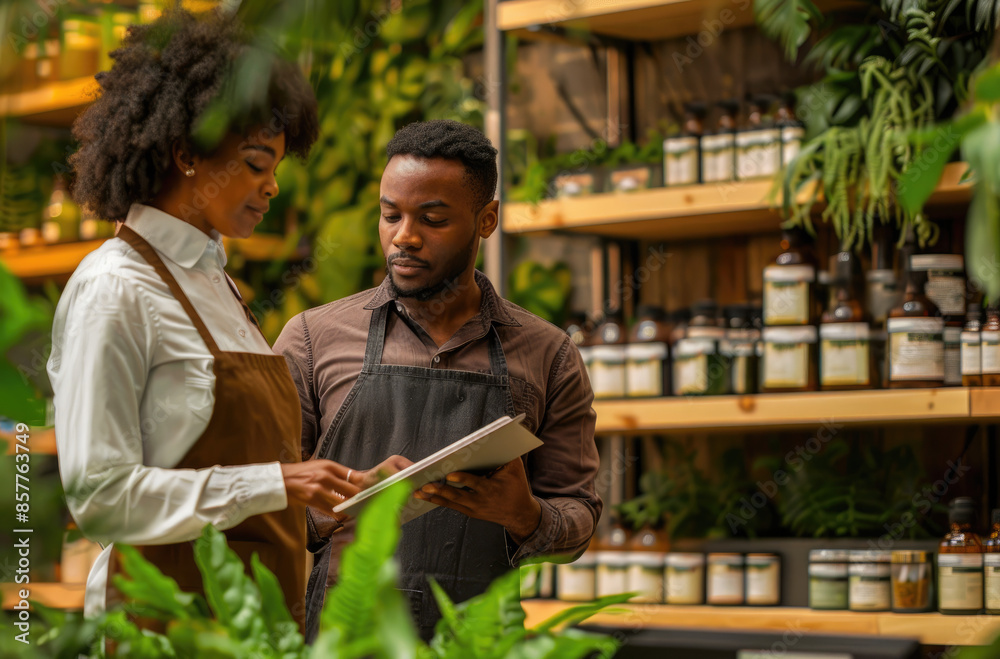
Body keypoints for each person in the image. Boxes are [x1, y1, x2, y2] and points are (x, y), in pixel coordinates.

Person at [47, 10, 406, 634]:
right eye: (254, 162)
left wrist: (343, 491)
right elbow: (100, 499)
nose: (271, 188)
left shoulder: (216, 285)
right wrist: (277, 481)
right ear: (185, 151)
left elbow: (254, 484)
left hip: (256, 627)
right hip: (165, 630)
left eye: (276, 169)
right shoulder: (116, 289)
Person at [275, 119, 602, 640]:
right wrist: (331, 511)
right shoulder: (313, 339)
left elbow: (578, 516)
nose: (404, 236)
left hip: (478, 644)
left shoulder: (549, 355)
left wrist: (525, 515)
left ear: (487, 219)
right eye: (390, 215)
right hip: (344, 643)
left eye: (432, 219)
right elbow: (261, 507)